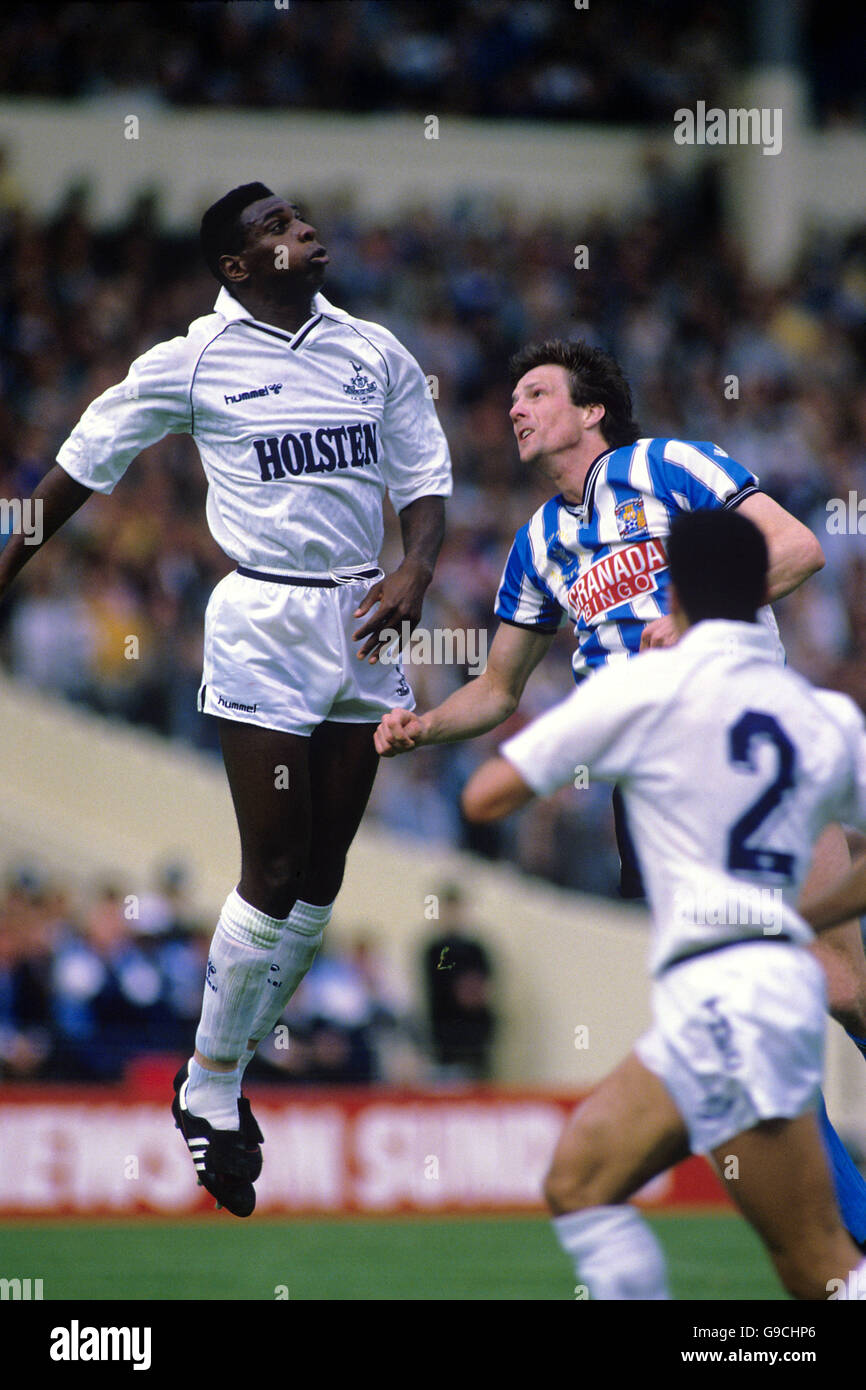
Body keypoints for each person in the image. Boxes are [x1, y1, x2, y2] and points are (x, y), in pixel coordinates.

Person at [0, 184, 452, 1216]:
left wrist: (417, 567)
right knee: (276, 863)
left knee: (323, 878)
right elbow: (84, 460)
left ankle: (221, 1078)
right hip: (261, 622)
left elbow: (425, 477)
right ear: (238, 270)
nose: (302, 232)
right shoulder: (191, 360)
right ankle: (208, 1084)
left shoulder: (373, 351)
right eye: (274, 231)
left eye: (297, 218)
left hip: (363, 618)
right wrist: (8, 561)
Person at [375, 337, 866, 1242]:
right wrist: (422, 727)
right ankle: (853, 1244)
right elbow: (497, 689)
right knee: (752, 1016)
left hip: (743, 729)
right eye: (512, 397)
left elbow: (796, 549)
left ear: (591, 408)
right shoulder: (538, 543)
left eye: (535, 392)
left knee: (840, 986)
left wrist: (691, 630)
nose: (515, 408)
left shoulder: (671, 463)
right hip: (654, 782)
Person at [461, 508, 866, 1300]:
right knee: (578, 1181)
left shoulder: (646, 688)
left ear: (670, 590)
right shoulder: (824, 715)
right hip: (747, 996)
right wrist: (802, 921)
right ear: (761, 591)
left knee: (816, 1268)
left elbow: (484, 797)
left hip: (724, 1001)